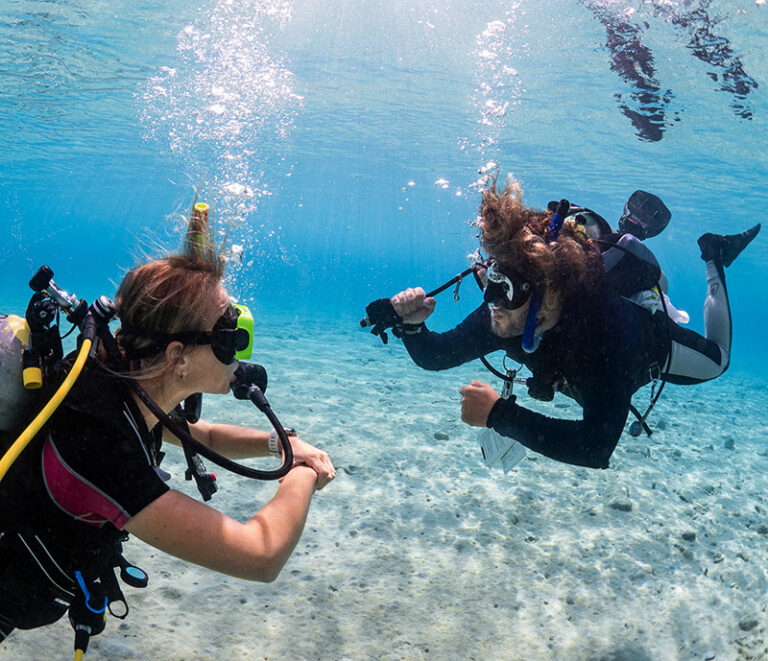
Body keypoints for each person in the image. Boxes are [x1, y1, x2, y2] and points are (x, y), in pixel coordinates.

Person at [0, 211, 335, 645]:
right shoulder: (100, 445)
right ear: (177, 356)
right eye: (228, 333)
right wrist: (305, 473)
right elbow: (261, 555)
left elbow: (204, 436)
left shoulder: (125, 377)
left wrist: (284, 445)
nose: (238, 348)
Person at [389, 179, 759, 469]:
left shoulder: (609, 335)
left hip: (650, 344)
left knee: (719, 361)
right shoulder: (505, 311)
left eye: (508, 289)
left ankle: (716, 256)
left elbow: (596, 447)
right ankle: (626, 232)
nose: (492, 300)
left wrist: (498, 415)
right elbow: (435, 357)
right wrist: (412, 326)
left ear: (547, 296)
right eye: (493, 280)